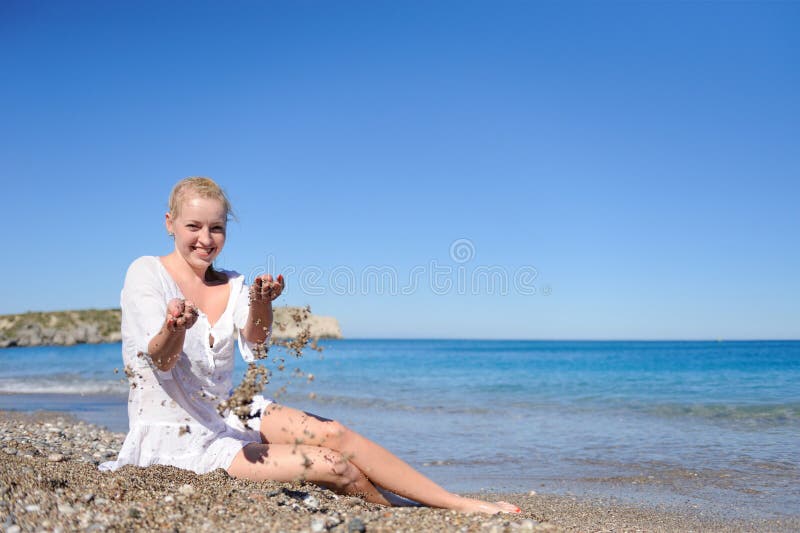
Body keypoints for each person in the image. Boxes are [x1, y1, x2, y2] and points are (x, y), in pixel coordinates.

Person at [101, 176, 520, 514]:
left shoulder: (232, 282)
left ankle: (456, 502)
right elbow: (158, 359)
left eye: (216, 228)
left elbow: (257, 342)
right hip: (180, 437)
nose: (205, 239)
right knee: (333, 466)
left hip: (229, 409)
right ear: (169, 222)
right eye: (193, 226)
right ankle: (405, 511)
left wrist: (261, 304)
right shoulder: (147, 273)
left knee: (333, 433)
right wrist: (175, 326)